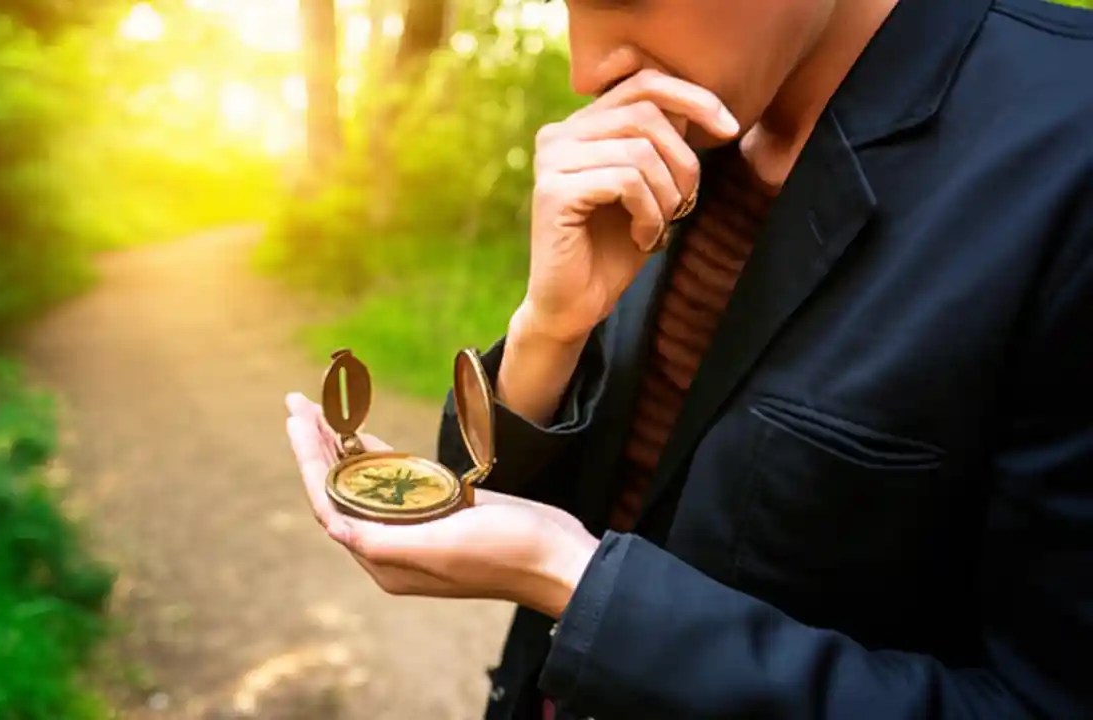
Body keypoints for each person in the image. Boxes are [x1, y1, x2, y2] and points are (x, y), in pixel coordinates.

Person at [285, 0, 1093, 717]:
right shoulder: (674, 127)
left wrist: (573, 581)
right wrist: (551, 331)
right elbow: (522, 487)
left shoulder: (1067, 146)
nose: (584, 71)